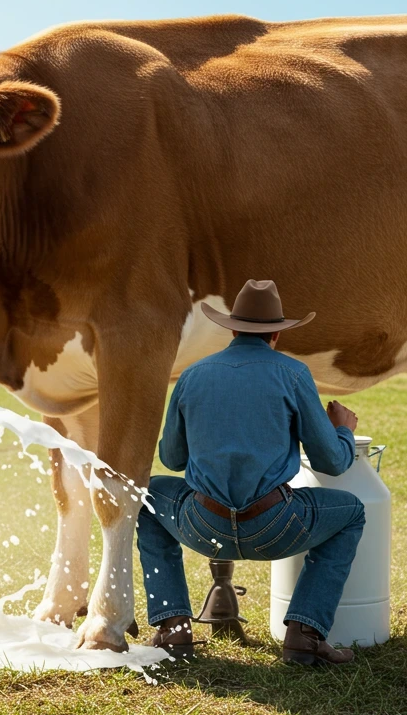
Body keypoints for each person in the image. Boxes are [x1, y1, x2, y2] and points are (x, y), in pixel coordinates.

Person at [136, 279, 366, 665]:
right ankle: (304, 636)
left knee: (147, 497)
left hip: (201, 524)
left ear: (231, 327)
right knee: (351, 512)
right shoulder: (293, 374)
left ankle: (173, 630)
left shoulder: (192, 375)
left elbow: (172, 460)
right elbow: (332, 462)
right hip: (275, 527)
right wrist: (342, 429)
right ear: (277, 332)